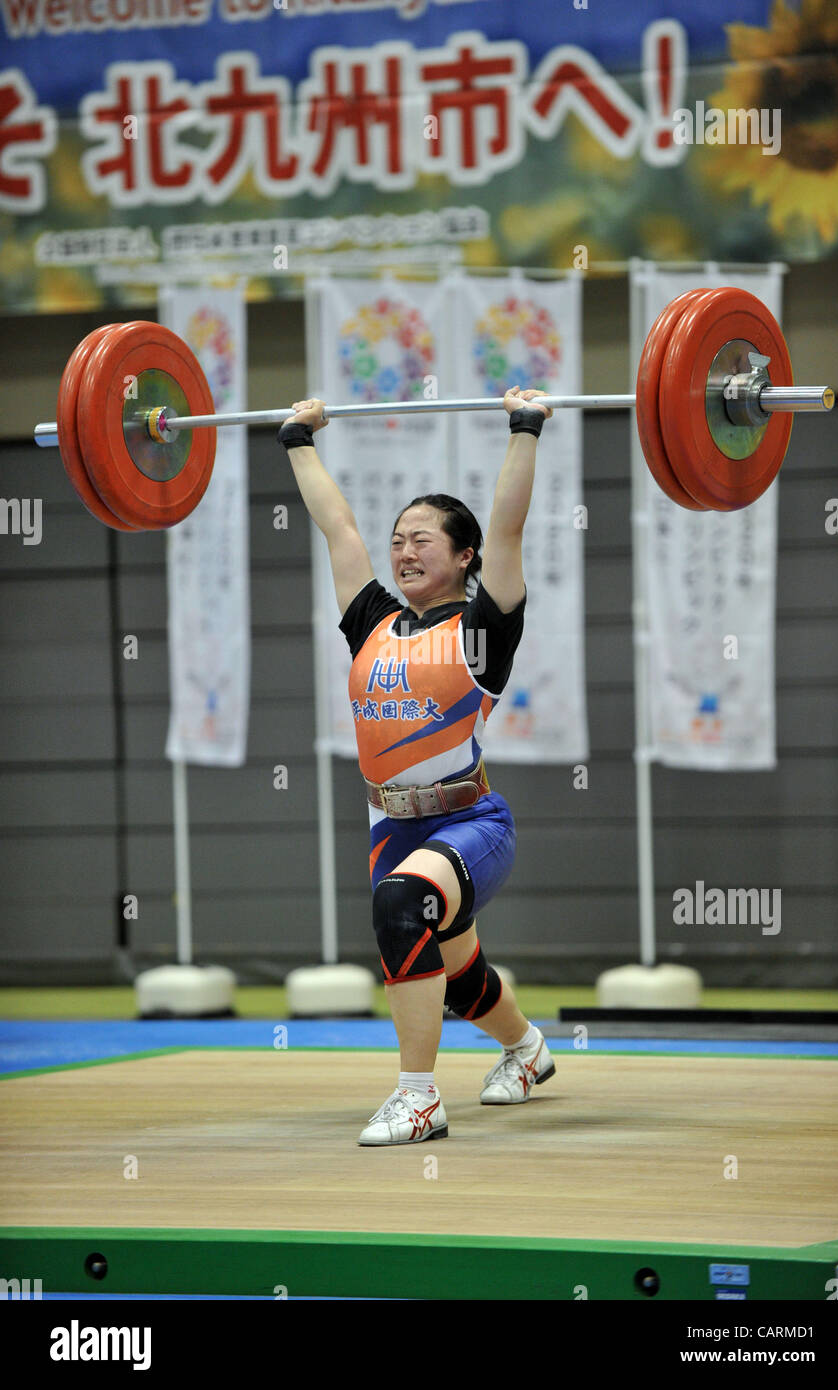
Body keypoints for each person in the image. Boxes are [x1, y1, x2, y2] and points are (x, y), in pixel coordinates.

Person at [278, 386, 555, 1146]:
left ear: (463, 557)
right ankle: (526, 1050)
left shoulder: (482, 628)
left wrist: (523, 428)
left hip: (469, 823)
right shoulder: (372, 620)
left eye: (423, 539)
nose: (404, 551)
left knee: (402, 907)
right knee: (459, 979)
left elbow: (508, 524)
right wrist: (297, 440)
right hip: (388, 825)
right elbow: (337, 528)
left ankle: (418, 1099)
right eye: (399, 539)